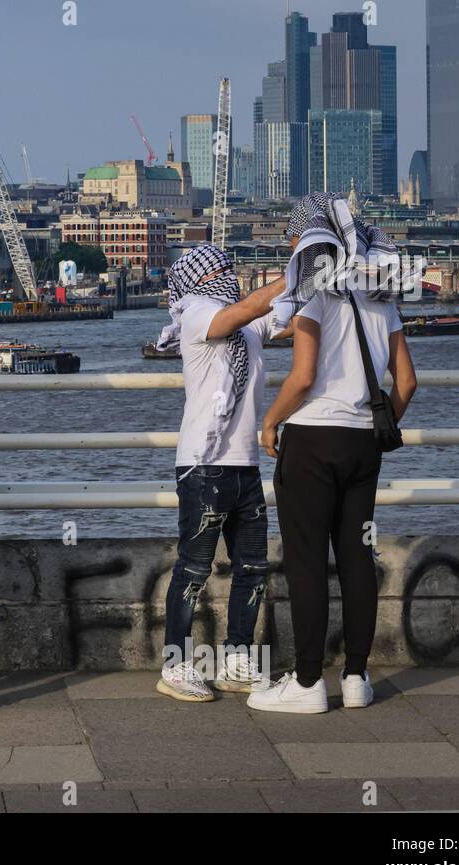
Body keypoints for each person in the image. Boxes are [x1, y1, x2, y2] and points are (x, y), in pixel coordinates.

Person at [250, 192, 417, 715]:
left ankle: (305, 684)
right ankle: (357, 677)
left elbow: (302, 379)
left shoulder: (313, 297)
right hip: (364, 444)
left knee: (306, 563)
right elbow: (407, 383)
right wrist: (372, 422)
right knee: (355, 558)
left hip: (312, 443)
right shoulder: (380, 299)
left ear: (309, 239)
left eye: (293, 237)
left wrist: (270, 421)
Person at [155, 244, 290, 703]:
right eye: (219, 268)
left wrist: (322, 268)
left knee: (253, 567)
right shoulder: (195, 313)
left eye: (227, 267)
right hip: (202, 464)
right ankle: (175, 666)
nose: (226, 274)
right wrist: (297, 270)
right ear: (197, 278)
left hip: (244, 464)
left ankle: (236, 657)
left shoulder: (245, 324)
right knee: (193, 569)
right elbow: (253, 305)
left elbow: (280, 313)